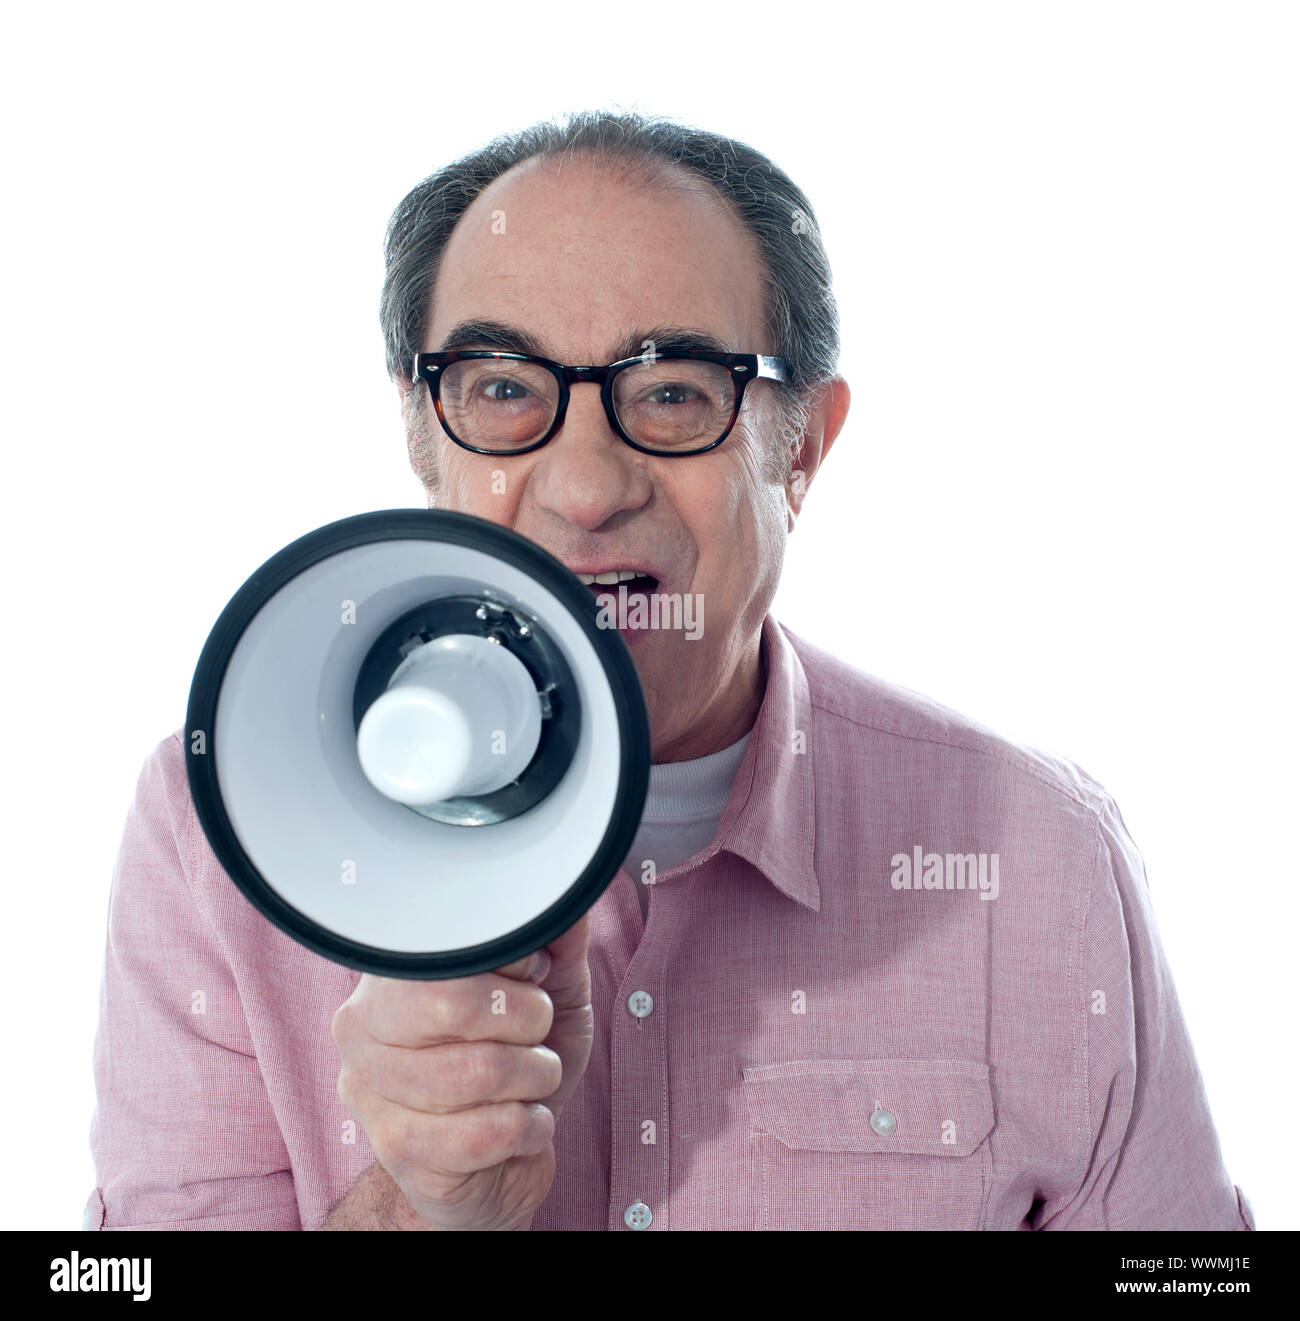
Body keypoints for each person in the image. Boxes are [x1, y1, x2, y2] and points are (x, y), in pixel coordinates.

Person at [86, 109, 1253, 1231]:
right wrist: (422, 1210)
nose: (587, 485)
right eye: (502, 390)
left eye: (672, 395)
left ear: (800, 448)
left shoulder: (1034, 851)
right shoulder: (223, 827)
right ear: (423, 436)